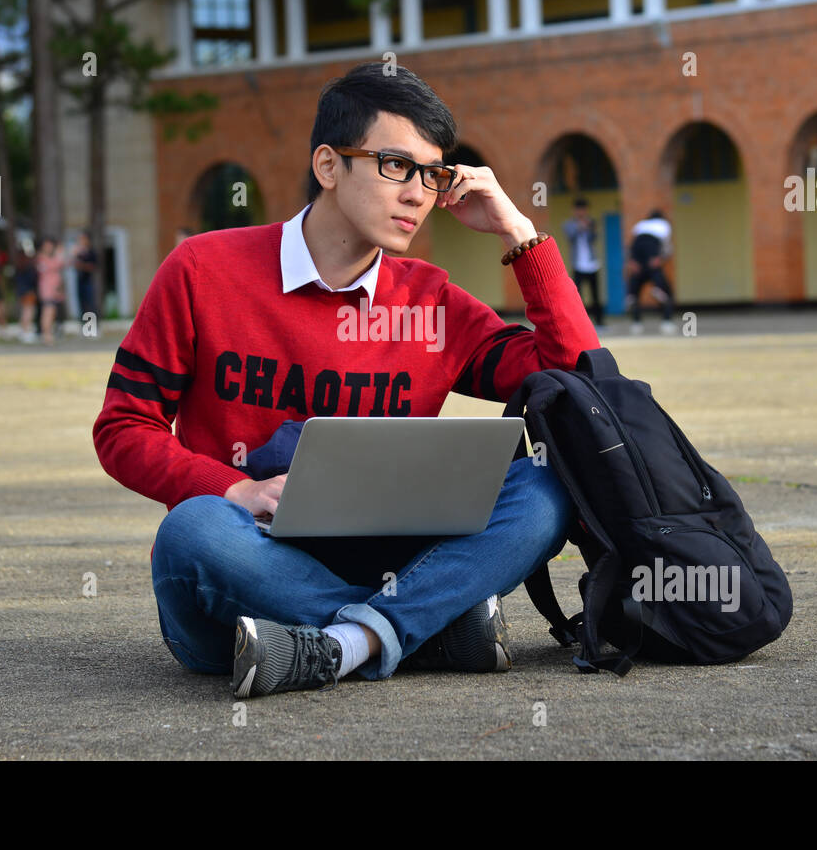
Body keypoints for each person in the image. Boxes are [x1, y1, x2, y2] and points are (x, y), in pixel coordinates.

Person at [92, 62, 600, 699]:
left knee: (548, 482)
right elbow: (122, 428)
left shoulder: (431, 305)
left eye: (433, 173)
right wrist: (234, 487)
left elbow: (579, 378)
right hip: (247, 566)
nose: (418, 193)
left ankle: (345, 644)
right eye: (396, 165)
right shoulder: (202, 270)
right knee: (191, 532)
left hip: (397, 560)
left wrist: (522, 237)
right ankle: (424, 628)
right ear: (328, 166)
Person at [625, 209, 676, 335]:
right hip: (652, 248)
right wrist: (660, 257)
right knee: (667, 291)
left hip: (637, 251)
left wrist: (632, 260)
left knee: (635, 287)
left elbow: (632, 244)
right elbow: (667, 247)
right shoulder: (664, 225)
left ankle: (635, 320)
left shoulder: (640, 225)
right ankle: (666, 321)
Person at [562, 197, 603, 326]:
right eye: (579, 210)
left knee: (595, 295)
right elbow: (570, 236)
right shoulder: (569, 224)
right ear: (574, 211)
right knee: (577, 296)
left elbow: (594, 238)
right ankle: (579, 323)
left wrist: (589, 228)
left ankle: (599, 322)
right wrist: (580, 227)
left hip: (592, 264)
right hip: (577, 265)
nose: (581, 212)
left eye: (583, 210)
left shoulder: (591, 222)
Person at [36, 237, 66, 346]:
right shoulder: (41, 258)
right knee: (47, 312)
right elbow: (56, 264)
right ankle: (46, 335)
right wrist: (60, 253)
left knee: (51, 312)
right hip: (47, 289)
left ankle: (48, 334)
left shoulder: (49, 258)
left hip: (54, 289)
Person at [13, 242, 39, 343]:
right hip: (28, 290)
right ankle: (26, 331)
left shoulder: (18, 265)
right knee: (28, 312)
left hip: (21, 291)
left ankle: (23, 331)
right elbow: (32, 278)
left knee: (25, 311)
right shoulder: (27, 265)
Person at [73, 230, 99, 319]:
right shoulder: (78, 253)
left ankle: (93, 325)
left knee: (90, 303)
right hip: (79, 281)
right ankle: (84, 326)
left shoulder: (91, 252)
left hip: (88, 281)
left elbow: (93, 267)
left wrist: (81, 265)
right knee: (82, 304)